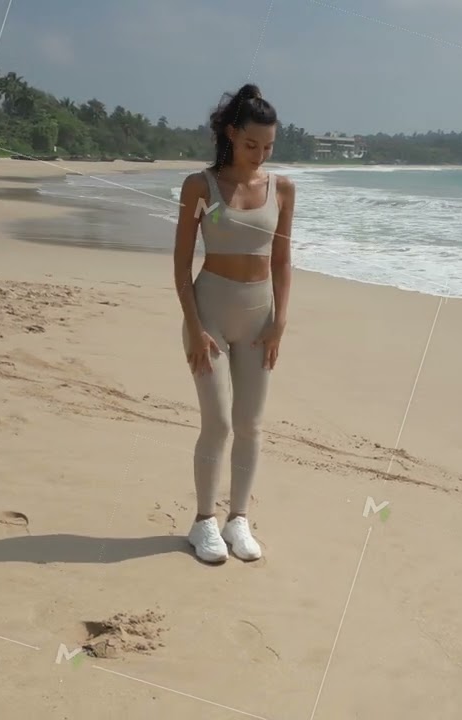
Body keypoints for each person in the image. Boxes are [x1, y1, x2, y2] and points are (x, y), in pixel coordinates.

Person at [173, 83, 295, 563]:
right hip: (209, 314)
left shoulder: (282, 189)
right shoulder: (200, 187)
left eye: (268, 147)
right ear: (230, 134)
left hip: (260, 317)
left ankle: (238, 519)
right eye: (251, 145)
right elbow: (181, 265)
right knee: (219, 423)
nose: (259, 156)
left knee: (250, 424)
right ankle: (203, 522)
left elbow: (283, 261)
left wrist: (280, 322)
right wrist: (195, 326)